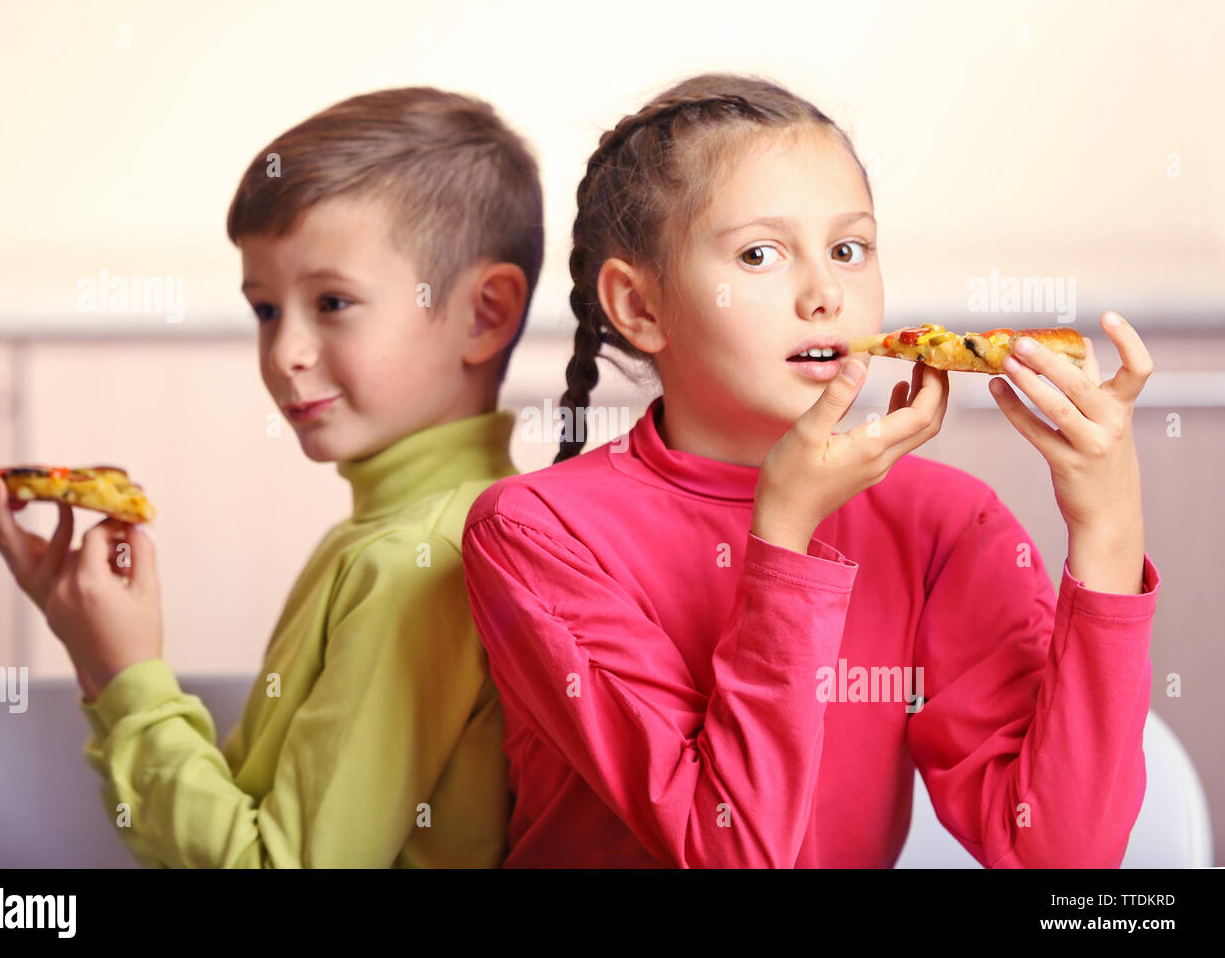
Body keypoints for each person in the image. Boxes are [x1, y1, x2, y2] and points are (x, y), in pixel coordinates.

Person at [460, 73, 1160, 868]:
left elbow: (1060, 855)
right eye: (759, 254)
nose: (825, 292)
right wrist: (784, 537)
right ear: (640, 306)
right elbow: (732, 851)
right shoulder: (532, 533)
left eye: (849, 248)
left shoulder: (944, 524)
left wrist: (1108, 526)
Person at [0, 85, 544, 867]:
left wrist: (125, 674)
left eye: (333, 302)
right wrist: (92, 645)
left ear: (484, 314)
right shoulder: (388, 535)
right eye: (266, 309)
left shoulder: (418, 563)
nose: (285, 354)